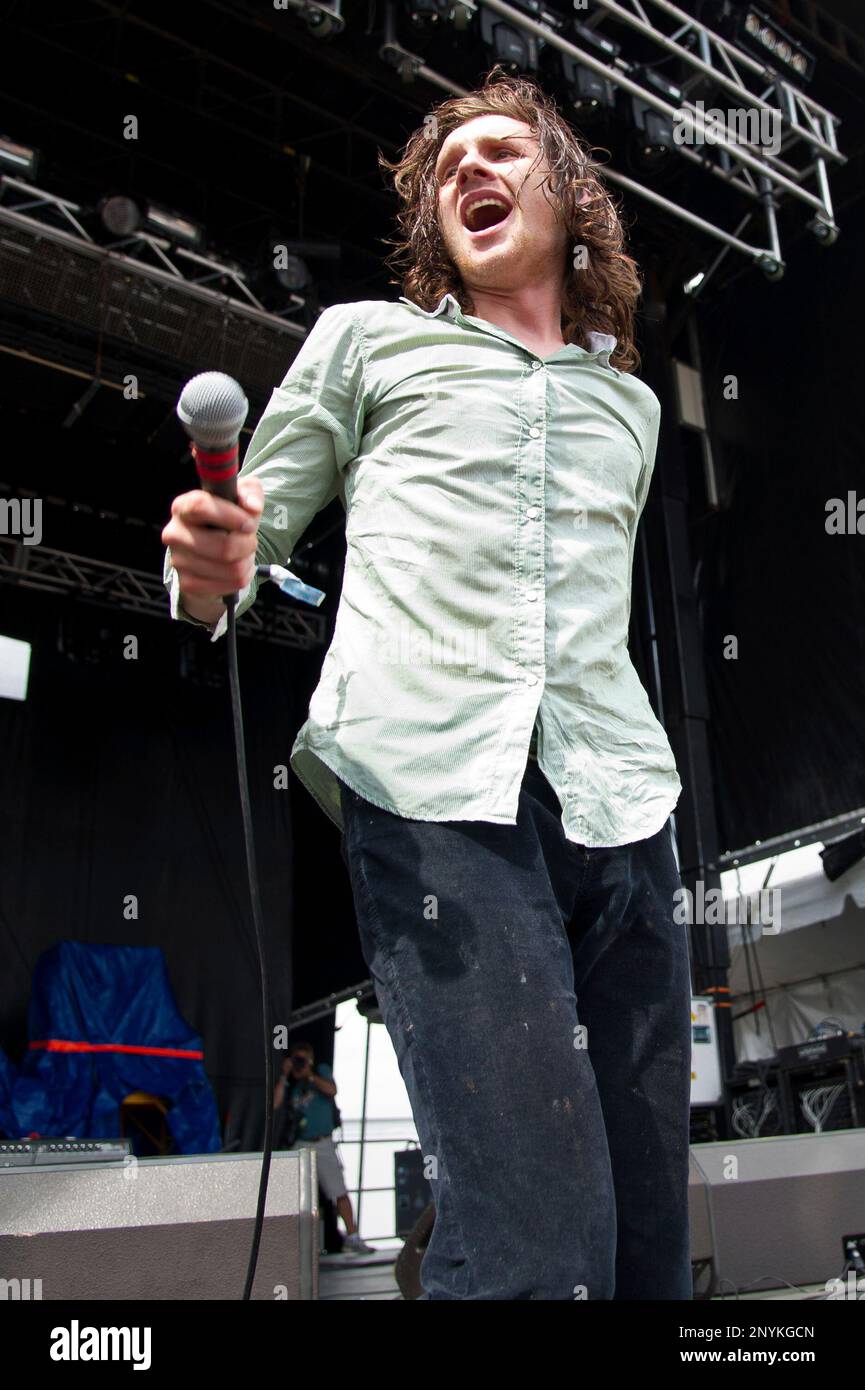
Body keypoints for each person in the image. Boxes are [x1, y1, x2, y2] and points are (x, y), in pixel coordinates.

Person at [161, 66, 692, 1301]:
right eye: (448, 167)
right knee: (536, 1254)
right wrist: (205, 564)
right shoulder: (364, 340)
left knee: (648, 1252)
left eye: (503, 152)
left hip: (623, 811)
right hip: (437, 793)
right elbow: (243, 547)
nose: (469, 172)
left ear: (571, 194)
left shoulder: (630, 406)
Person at [274, 1042, 373, 1255]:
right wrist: (284, 1075)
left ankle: (353, 1236)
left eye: (303, 1059)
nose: (300, 1064)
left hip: (323, 1143)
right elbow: (275, 1104)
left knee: (339, 1191)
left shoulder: (320, 1074)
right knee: (296, 1196)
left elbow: (332, 1090)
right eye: (296, 1059)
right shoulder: (291, 1084)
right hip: (300, 1144)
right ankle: (297, 1243)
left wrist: (310, 1075)